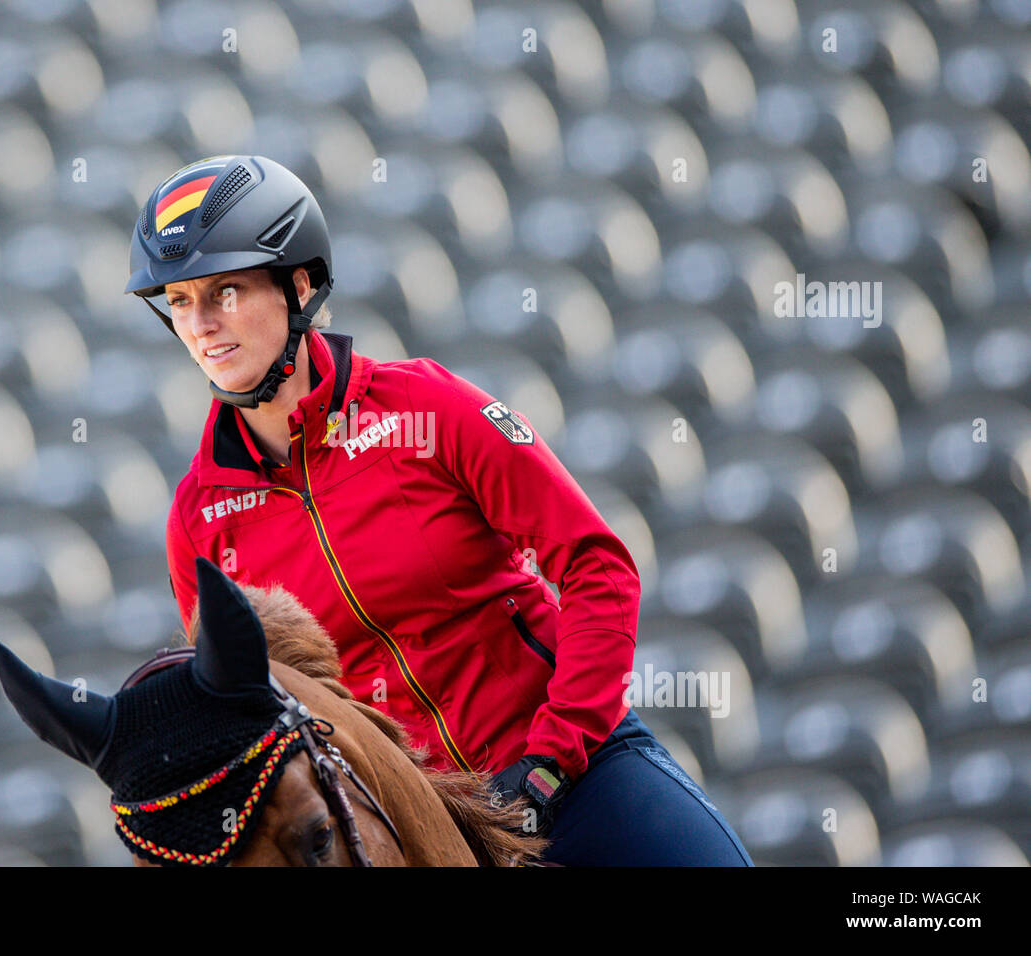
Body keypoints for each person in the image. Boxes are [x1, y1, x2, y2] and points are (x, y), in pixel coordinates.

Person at [126, 154, 753, 865]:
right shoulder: (198, 521)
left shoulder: (428, 408)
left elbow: (598, 567)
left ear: (298, 283)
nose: (201, 325)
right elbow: (247, 709)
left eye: (225, 291)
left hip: (572, 779)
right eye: (179, 301)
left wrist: (553, 758)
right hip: (409, 832)